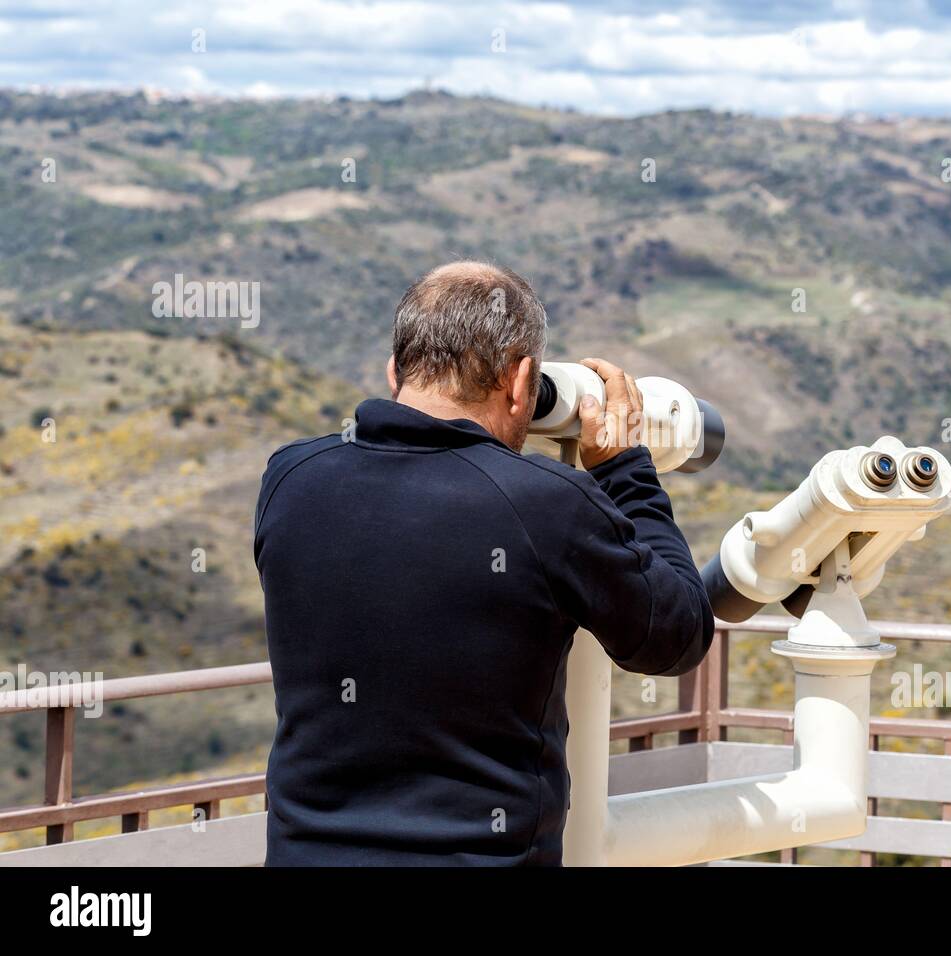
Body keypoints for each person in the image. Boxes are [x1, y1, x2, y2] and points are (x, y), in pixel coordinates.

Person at [253, 261, 713, 865]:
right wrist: (626, 473)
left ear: (395, 371)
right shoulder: (547, 504)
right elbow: (676, 637)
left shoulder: (289, 479)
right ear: (521, 382)